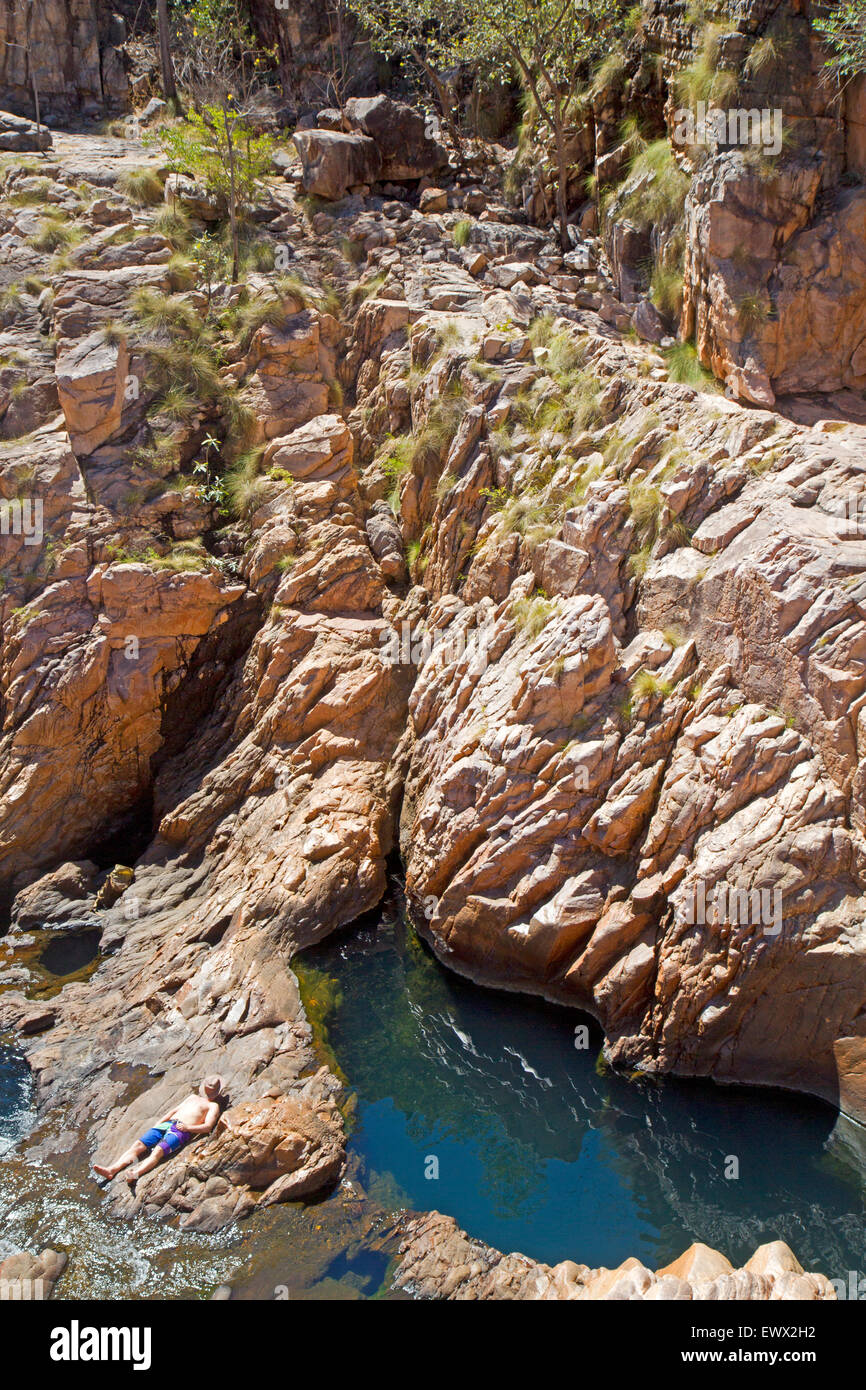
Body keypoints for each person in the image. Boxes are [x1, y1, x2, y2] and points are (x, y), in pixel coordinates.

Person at [93, 1076, 224, 1184]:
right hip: (167, 1123)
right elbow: (173, 1111)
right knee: (138, 1145)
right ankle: (112, 1170)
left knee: (158, 1151)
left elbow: (208, 1127)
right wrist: (159, 1123)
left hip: (181, 1130)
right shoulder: (192, 1097)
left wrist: (188, 1128)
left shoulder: (213, 1106)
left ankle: (135, 1174)